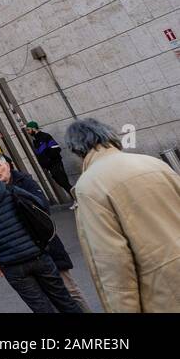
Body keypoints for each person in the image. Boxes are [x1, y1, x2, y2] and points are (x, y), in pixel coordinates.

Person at [65, 118, 180, 313]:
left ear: (76, 150)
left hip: (161, 291)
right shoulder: (152, 162)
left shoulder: (89, 186)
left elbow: (112, 264)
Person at [0, 162, 82, 313]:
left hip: (11, 265)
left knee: (40, 307)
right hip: (37, 254)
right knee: (64, 300)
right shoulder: (8, 189)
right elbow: (39, 205)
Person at [0, 152, 90, 311]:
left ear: (7, 165)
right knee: (46, 300)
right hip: (22, 256)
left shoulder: (24, 181)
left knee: (69, 291)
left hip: (47, 246)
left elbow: (42, 208)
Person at [25, 121, 75, 205]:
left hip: (55, 163)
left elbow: (56, 148)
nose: (28, 132)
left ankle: (77, 198)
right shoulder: (36, 141)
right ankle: (76, 198)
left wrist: (49, 159)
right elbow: (40, 155)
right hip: (49, 166)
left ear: (34, 129)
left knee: (63, 181)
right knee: (61, 182)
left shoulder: (45, 136)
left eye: (28, 130)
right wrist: (45, 165)